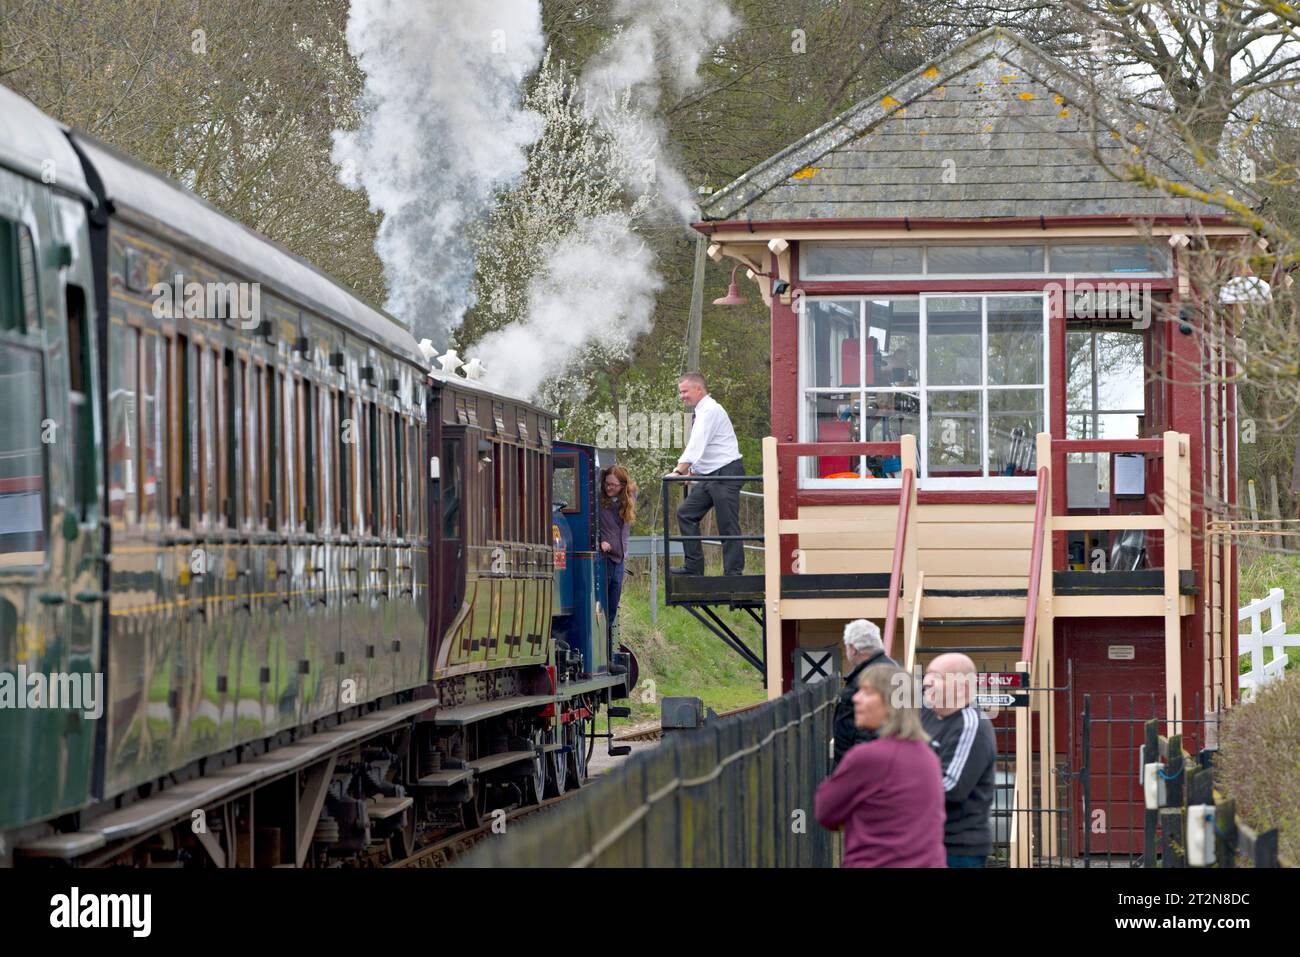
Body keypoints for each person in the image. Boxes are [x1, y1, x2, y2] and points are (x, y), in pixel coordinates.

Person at [814, 663, 947, 868]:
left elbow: (825, 811)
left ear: (889, 703)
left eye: (867, 692)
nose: (856, 698)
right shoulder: (928, 756)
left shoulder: (868, 757)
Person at [921, 652, 998, 868]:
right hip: (922, 841)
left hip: (956, 848)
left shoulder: (972, 725)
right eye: (927, 676)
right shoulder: (925, 715)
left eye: (936, 677)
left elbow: (950, 786)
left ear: (962, 687)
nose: (927, 683)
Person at [667, 372, 744, 576]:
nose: (682, 396)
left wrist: (678, 470)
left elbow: (697, 443)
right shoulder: (701, 412)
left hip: (726, 473)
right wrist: (693, 471)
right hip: (710, 475)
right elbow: (707, 446)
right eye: (680, 392)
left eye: (685, 391)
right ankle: (694, 567)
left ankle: (733, 574)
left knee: (727, 523)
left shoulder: (710, 410)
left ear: (699, 390)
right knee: (686, 513)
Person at [832, 620, 897, 770]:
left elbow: (868, 730)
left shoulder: (867, 678)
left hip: (862, 767)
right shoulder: (893, 670)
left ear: (853, 649)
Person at [599, 464, 636, 634]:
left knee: (613, 607)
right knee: (602, 607)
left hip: (619, 560)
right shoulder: (599, 502)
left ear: (622, 486)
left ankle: (607, 645)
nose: (609, 488)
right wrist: (601, 541)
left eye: (613, 485)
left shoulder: (628, 500)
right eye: (607, 483)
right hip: (605, 557)